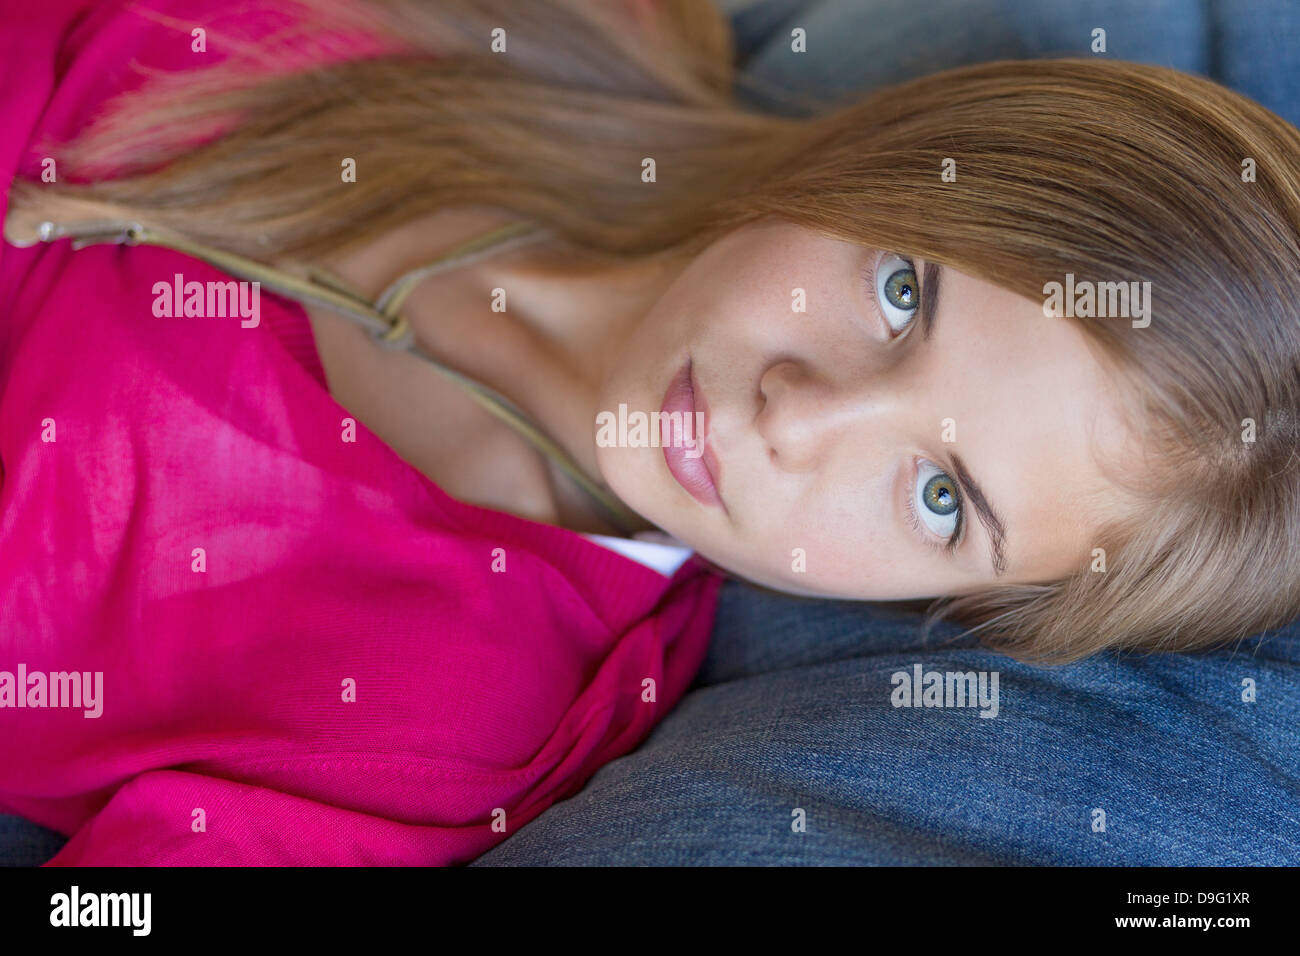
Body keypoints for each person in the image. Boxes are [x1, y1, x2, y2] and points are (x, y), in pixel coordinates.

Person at [1, 0, 1296, 864]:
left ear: (959, 604)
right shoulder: (578, 26)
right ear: (899, 158)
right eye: (905, 292)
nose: (799, 413)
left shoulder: (438, 721)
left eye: (940, 498)